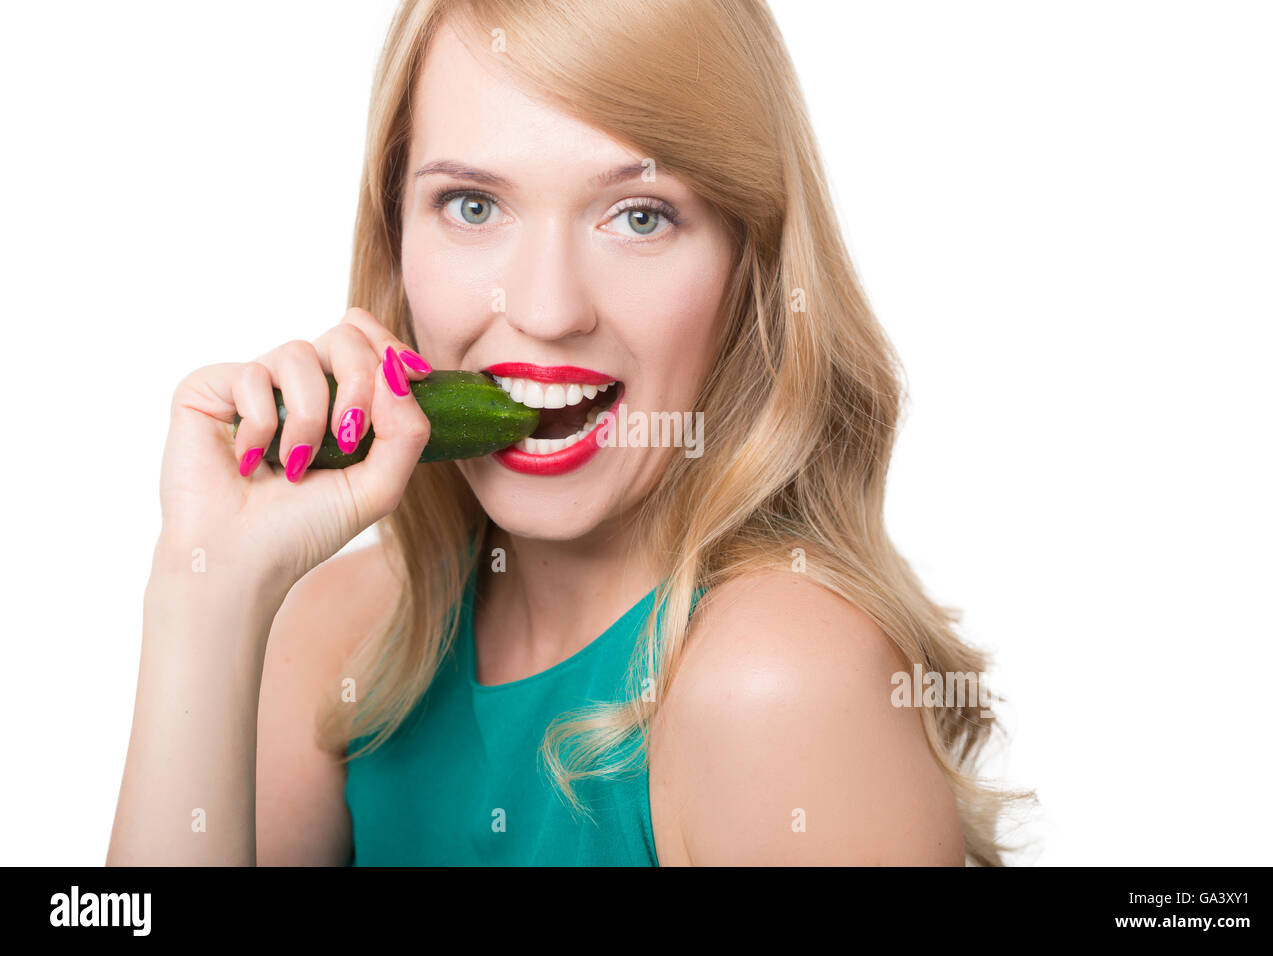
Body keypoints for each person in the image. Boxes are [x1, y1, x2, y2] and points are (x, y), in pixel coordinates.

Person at [108, 0, 1032, 866]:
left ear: (749, 266)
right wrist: (207, 589)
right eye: (473, 205)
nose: (546, 311)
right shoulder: (344, 632)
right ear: (397, 239)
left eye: (639, 215)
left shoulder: (776, 681)